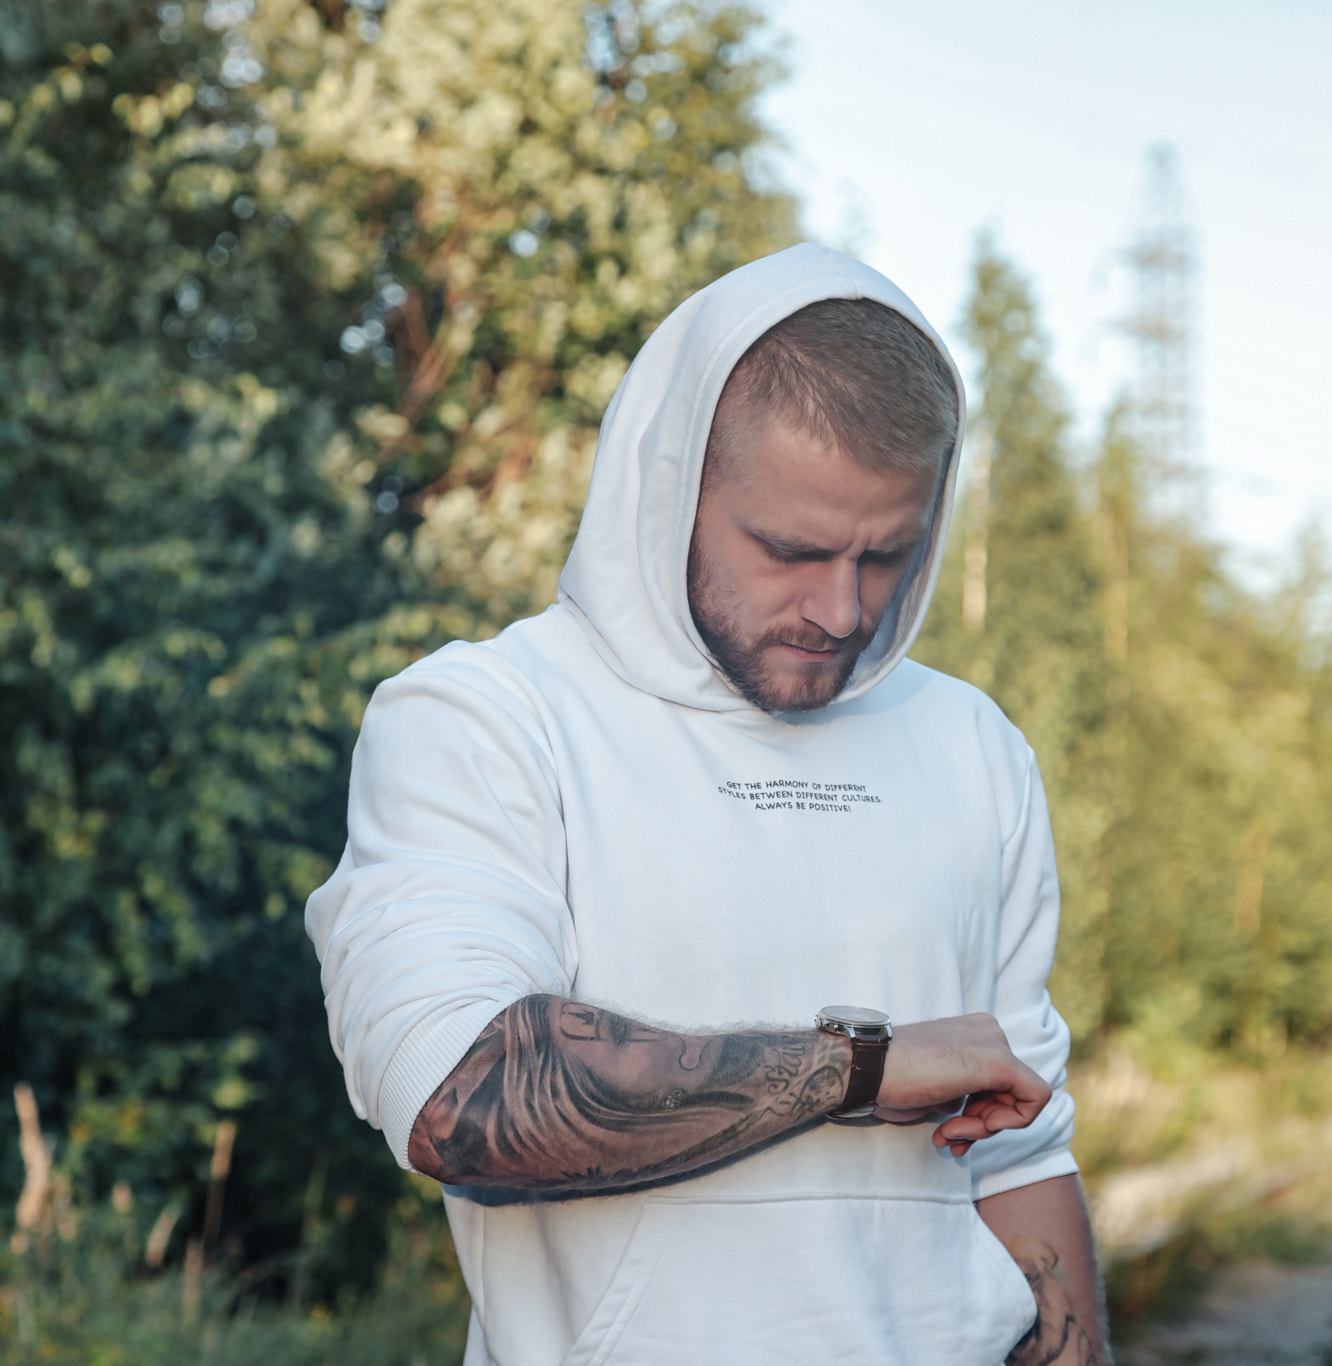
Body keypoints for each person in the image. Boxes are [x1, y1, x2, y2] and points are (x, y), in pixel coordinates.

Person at [305, 244, 1105, 1366]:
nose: (840, 609)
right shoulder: (483, 717)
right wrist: (859, 1066)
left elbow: (1020, 1156)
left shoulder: (971, 744)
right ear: (668, 481)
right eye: (788, 549)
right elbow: (458, 1095)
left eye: (887, 555)